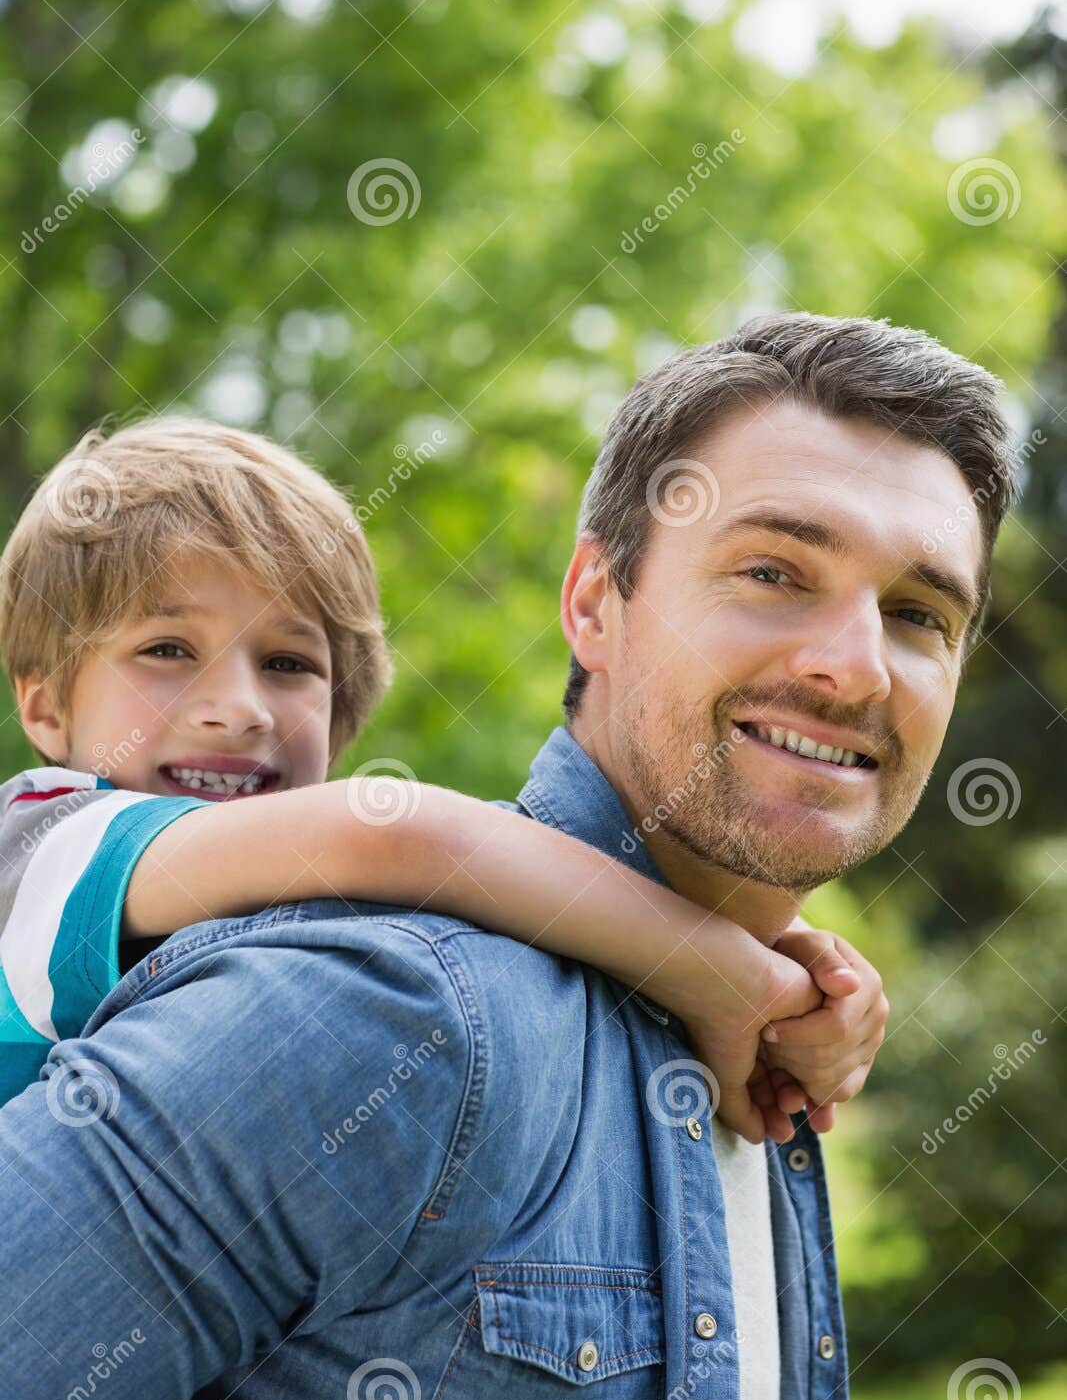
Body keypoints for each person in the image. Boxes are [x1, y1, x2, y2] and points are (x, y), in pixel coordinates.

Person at [0, 312, 1012, 1400]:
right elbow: (402, 832)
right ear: (591, 601)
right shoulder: (388, 1013)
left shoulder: (743, 1052)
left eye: (917, 614)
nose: (854, 668)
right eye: (772, 570)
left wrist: (747, 975)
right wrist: (719, 967)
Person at [0, 416, 876, 1137]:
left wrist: (772, 944)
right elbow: (403, 834)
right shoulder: (41, 840)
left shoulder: (312, 914)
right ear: (43, 709)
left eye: (287, 664)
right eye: (165, 650)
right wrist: (723, 972)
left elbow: (492, 867)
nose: (240, 709)